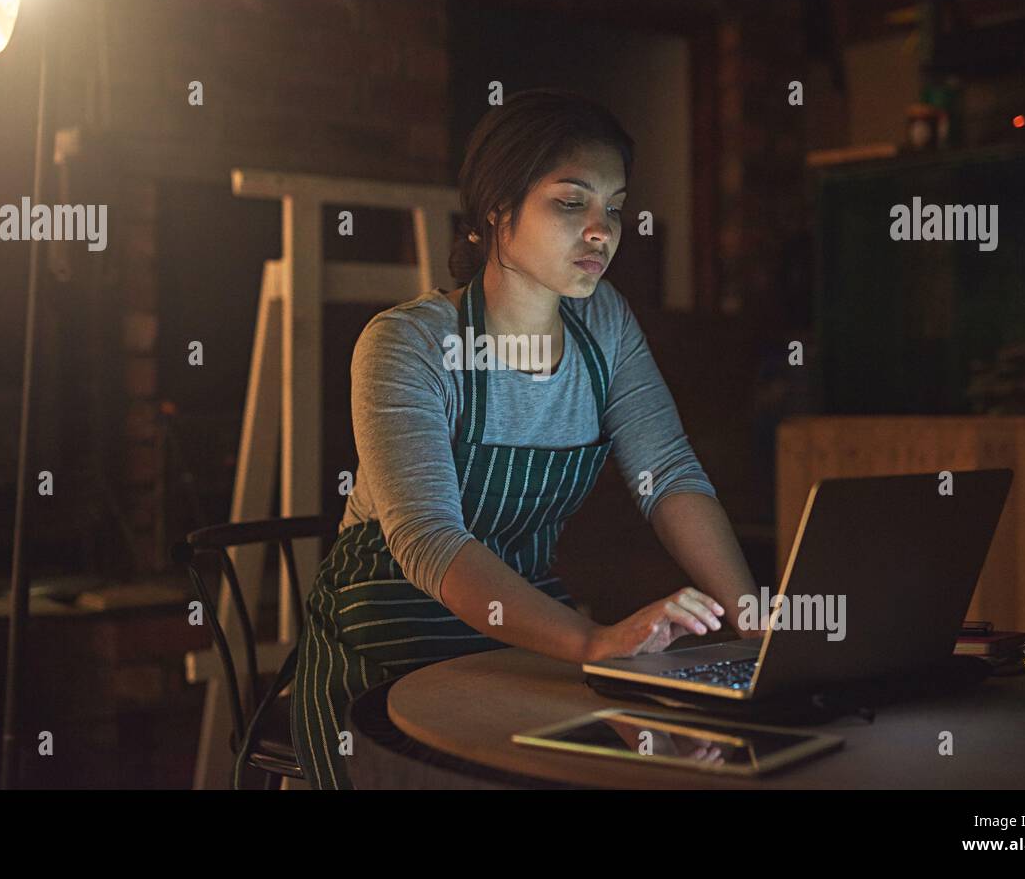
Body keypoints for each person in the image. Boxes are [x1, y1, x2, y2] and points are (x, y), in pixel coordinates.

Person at [290, 88, 760, 789]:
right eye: (571, 202)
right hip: (387, 635)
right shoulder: (408, 343)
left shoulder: (605, 325)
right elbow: (428, 540)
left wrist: (756, 625)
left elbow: (668, 475)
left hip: (526, 629)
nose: (602, 232)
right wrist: (592, 640)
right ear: (496, 210)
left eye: (615, 208)